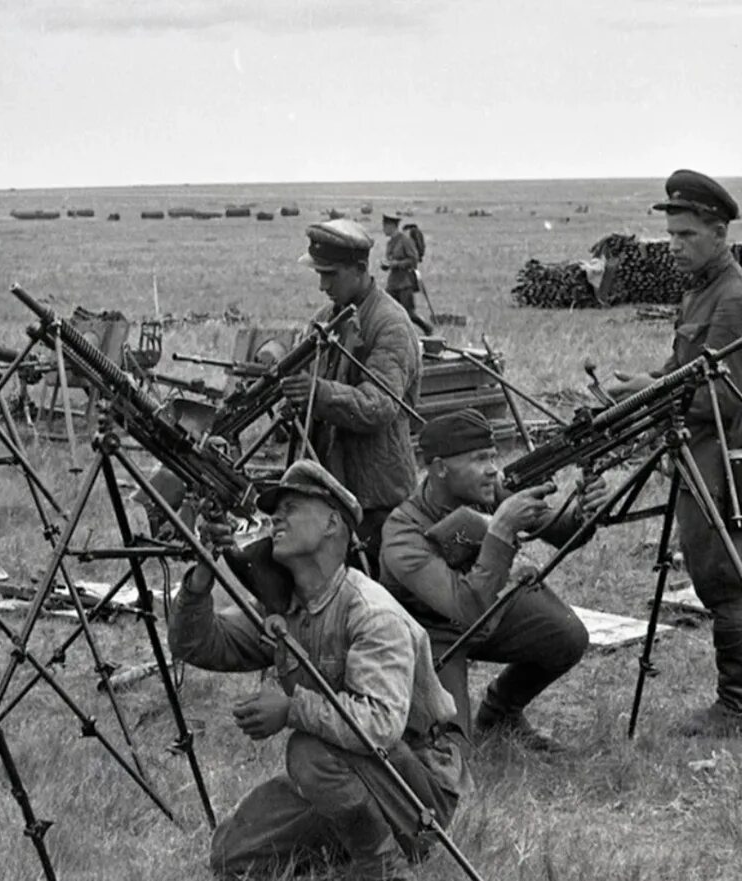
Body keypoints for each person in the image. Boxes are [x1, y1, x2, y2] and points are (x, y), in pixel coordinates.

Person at [168, 460, 468, 881]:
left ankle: (382, 864)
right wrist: (203, 573)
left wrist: (291, 709)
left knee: (308, 751)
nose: (276, 517)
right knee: (231, 856)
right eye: (276, 509)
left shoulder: (370, 612)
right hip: (347, 773)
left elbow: (380, 725)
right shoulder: (287, 608)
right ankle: (350, 836)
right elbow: (195, 645)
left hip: (415, 785)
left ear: (332, 524)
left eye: (290, 507)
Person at [603, 169, 742, 737]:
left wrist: (653, 393)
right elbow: (687, 368)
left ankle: (738, 705)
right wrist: (649, 379)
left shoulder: (734, 299)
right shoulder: (702, 290)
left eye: (686, 235)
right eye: (672, 234)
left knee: (723, 582)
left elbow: (722, 396)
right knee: (723, 579)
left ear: (720, 232)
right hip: (696, 453)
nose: (674, 245)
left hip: (720, 459)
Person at [380, 408, 609, 752]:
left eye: (492, 456)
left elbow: (561, 531)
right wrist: (501, 529)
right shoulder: (402, 534)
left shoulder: (488, 491)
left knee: (567, 636)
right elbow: (465, 609)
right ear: (440, 468)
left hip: (489, 611)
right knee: (450, 753)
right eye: (478, 459)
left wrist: (584, 513)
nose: (492, 469)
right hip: (432, 637)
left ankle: (500, 711)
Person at [281, 218, 423, 574]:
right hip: (330, 485)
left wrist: (318, 393)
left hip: (375, 495)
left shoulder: (390, 324)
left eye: (331, 274)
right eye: (319, 273)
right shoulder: (324, 319)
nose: (322, 285)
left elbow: (380, 405)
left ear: (360, 270)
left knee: (374, 593)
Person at [380, 213, 434, 335]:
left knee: (409, 313)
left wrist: (396, 264)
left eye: (385, 226)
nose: (383, 229)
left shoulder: (405, 240)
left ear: (392, 226)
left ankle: (427, 329)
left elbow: (413, 259)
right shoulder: (390, 243)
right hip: (393, 283)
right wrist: (385, 265)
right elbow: (391, 260)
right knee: (387, 310)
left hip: (405, 283)